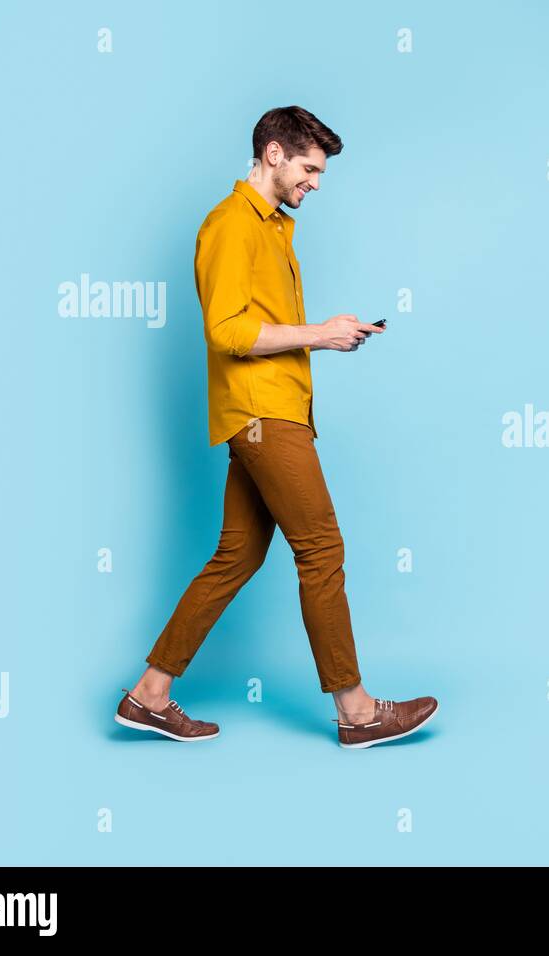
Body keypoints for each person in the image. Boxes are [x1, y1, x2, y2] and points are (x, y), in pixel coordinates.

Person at [113, 105, 437, 750]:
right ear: (273, 154)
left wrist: (327, 332)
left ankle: (148, 695)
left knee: (237, 556)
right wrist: (320, 335)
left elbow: (258, 326)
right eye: (310, 168)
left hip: (270, 412)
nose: (316, 182)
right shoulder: (231, 225)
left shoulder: (272, 229)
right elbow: (227, 331)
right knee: (321, 549)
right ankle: (358, 711)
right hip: (263, 418)